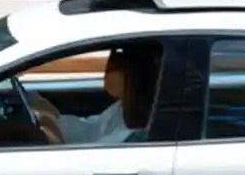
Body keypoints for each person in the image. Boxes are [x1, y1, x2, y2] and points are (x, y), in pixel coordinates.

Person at [28, 46, 156, 146]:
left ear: (134, 75)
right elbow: (90, 129)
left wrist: (48, 128)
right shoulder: (122, 107)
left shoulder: (133, 136)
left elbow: (87, 156)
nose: (106, 73)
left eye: (112, 68)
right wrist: (49, 117)